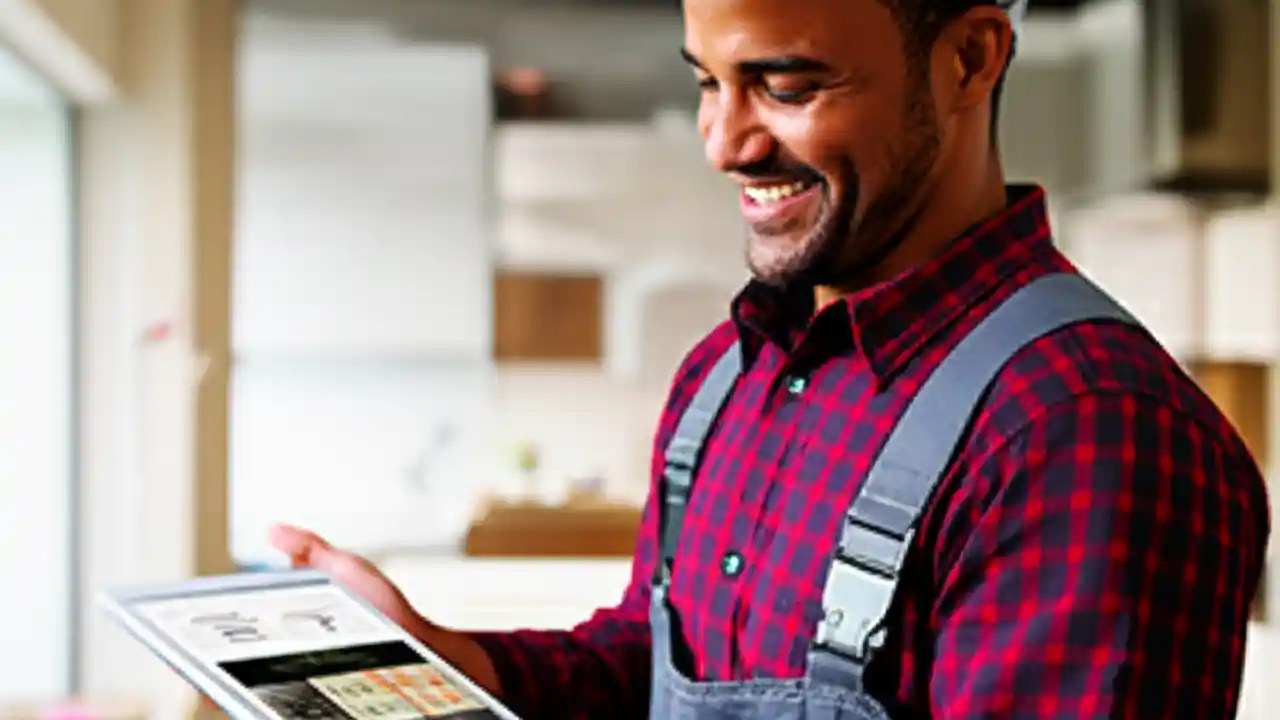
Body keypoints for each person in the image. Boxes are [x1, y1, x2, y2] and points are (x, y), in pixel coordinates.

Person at [271, 0, 1271, 717]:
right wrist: (442, 664)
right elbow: (645, 667)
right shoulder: (724, 377)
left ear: (967, 60)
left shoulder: (1083, 429)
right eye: (708, 82)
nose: (721, 142)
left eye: (785, 86)